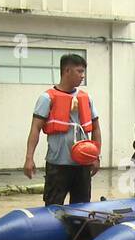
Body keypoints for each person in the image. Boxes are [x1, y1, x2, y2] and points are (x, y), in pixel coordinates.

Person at [23, 54, 102, 205]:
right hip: (58, 165)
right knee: (53, 206)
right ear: (67, 71)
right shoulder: (47, 98)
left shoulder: (86, 98)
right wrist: (29, 158)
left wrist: (96, 156)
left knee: (82, 206)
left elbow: (96, 128)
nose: (82, 76)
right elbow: (35, 128)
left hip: (83, 165)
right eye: (79, 71)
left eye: (83, 72)